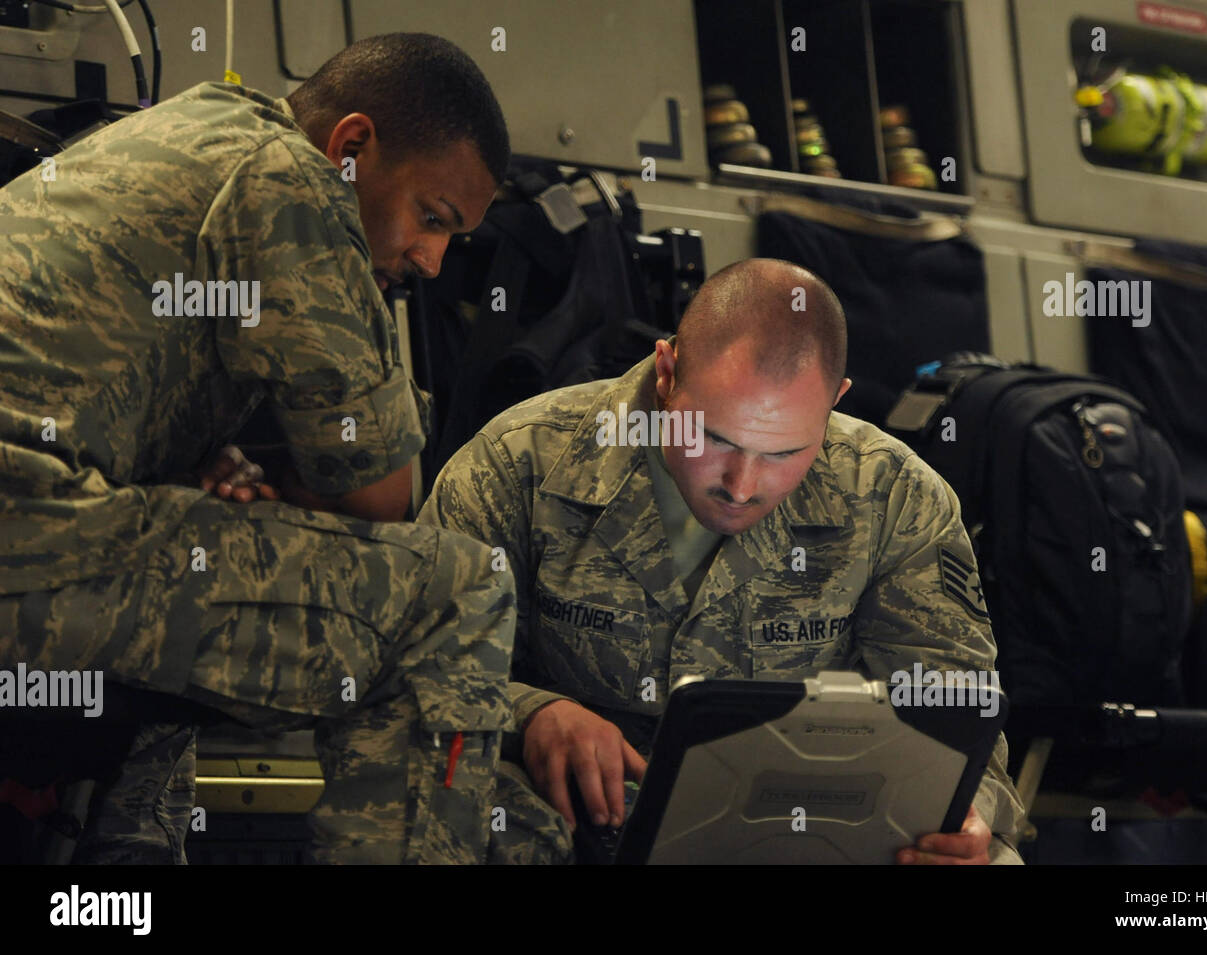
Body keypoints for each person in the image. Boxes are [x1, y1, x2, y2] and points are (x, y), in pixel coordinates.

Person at [0, 33, 515, 863]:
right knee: (456, 594)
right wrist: (287, 488)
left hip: (44, 521)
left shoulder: (194, 128)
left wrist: (227, 477)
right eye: (431, 218)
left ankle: (118, 886)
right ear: (350, 148)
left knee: (199, 557)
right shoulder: (294, 180)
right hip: (27, 531)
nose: (431, 259)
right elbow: (382, 499)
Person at [423, 257, 1028, 864]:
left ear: (835, 402)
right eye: (714, 438)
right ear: (667, 372)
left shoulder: (893, 496)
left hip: (795, 823)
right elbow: (416, 663)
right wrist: (533, 714)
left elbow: (954, 711)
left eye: (786, 452)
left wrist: (966, 818)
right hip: (574, 820)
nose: (742, 486)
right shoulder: (521, 463)